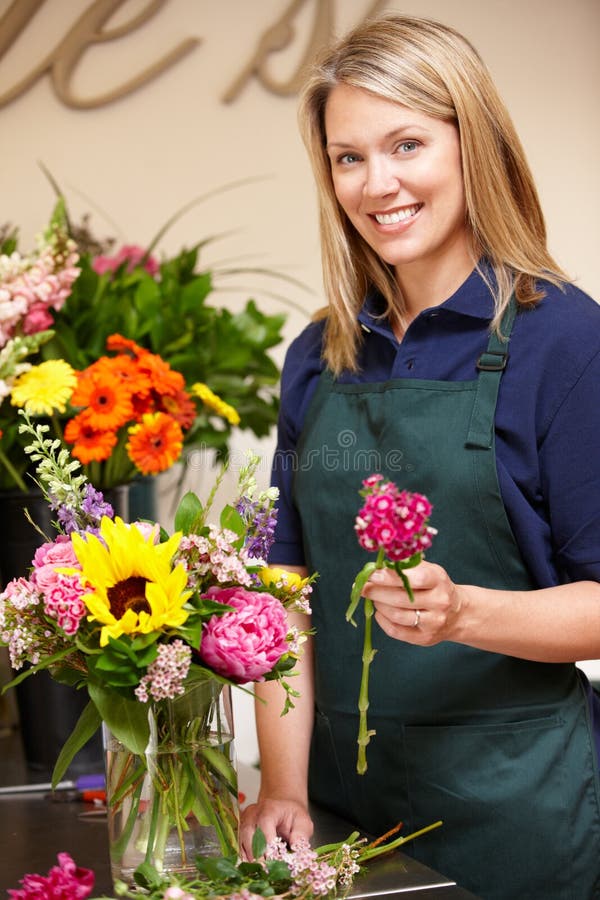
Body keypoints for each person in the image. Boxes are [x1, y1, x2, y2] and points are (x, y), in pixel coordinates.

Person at [239, 13, 600, 899]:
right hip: (342, 810)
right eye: (348, 156)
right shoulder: (318, 353)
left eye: (407, 144)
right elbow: (287, 590)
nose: (378, 184)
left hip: (518, 812)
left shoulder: (565, 340)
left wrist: (463, 613)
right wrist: (283, 787)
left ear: (472, 145)